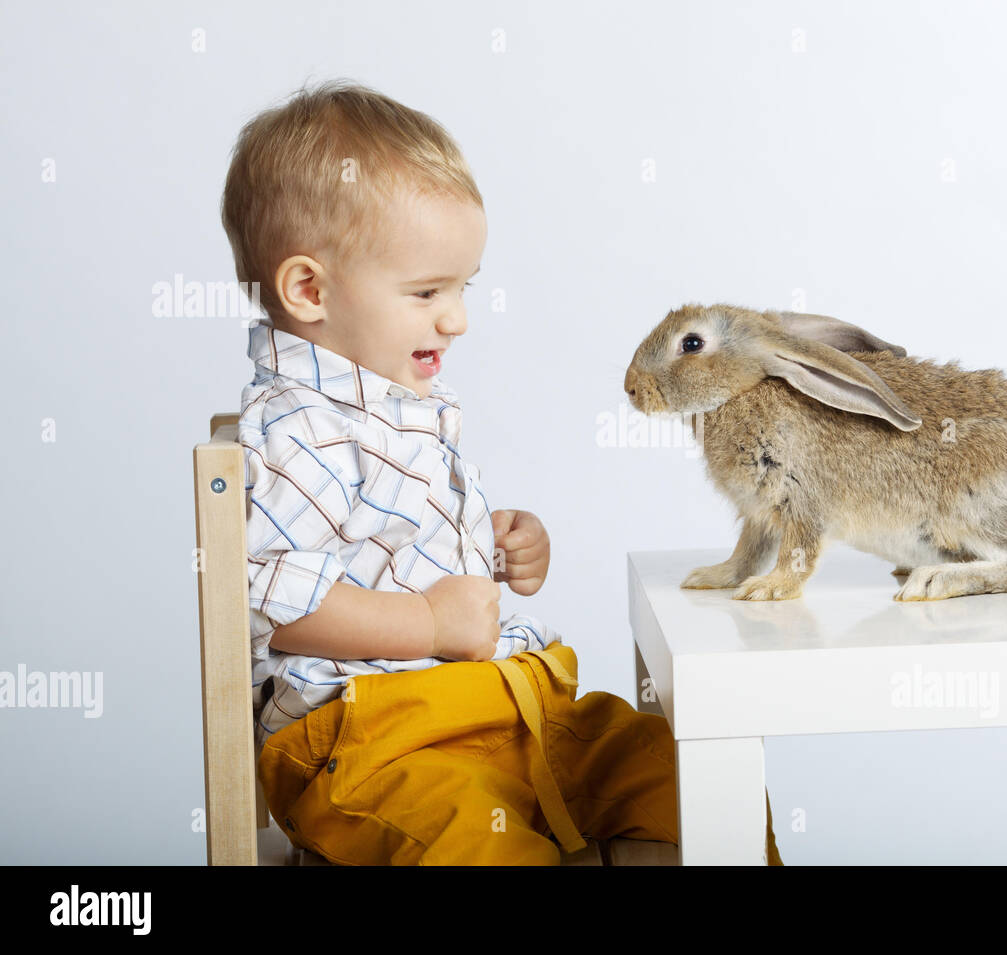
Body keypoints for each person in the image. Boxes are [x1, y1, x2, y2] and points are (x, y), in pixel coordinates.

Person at [221, 79, 783, 865]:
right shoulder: (293, 424)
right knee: (474, 844)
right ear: (308, 288)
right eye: (426, 292)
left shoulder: (395, 397)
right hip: (375, 736)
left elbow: (382, 545)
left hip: (504, 707)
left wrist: (489, 544)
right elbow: (275, 599)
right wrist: (431, 623)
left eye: (462, 288)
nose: (455, 317)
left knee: (682, 778)